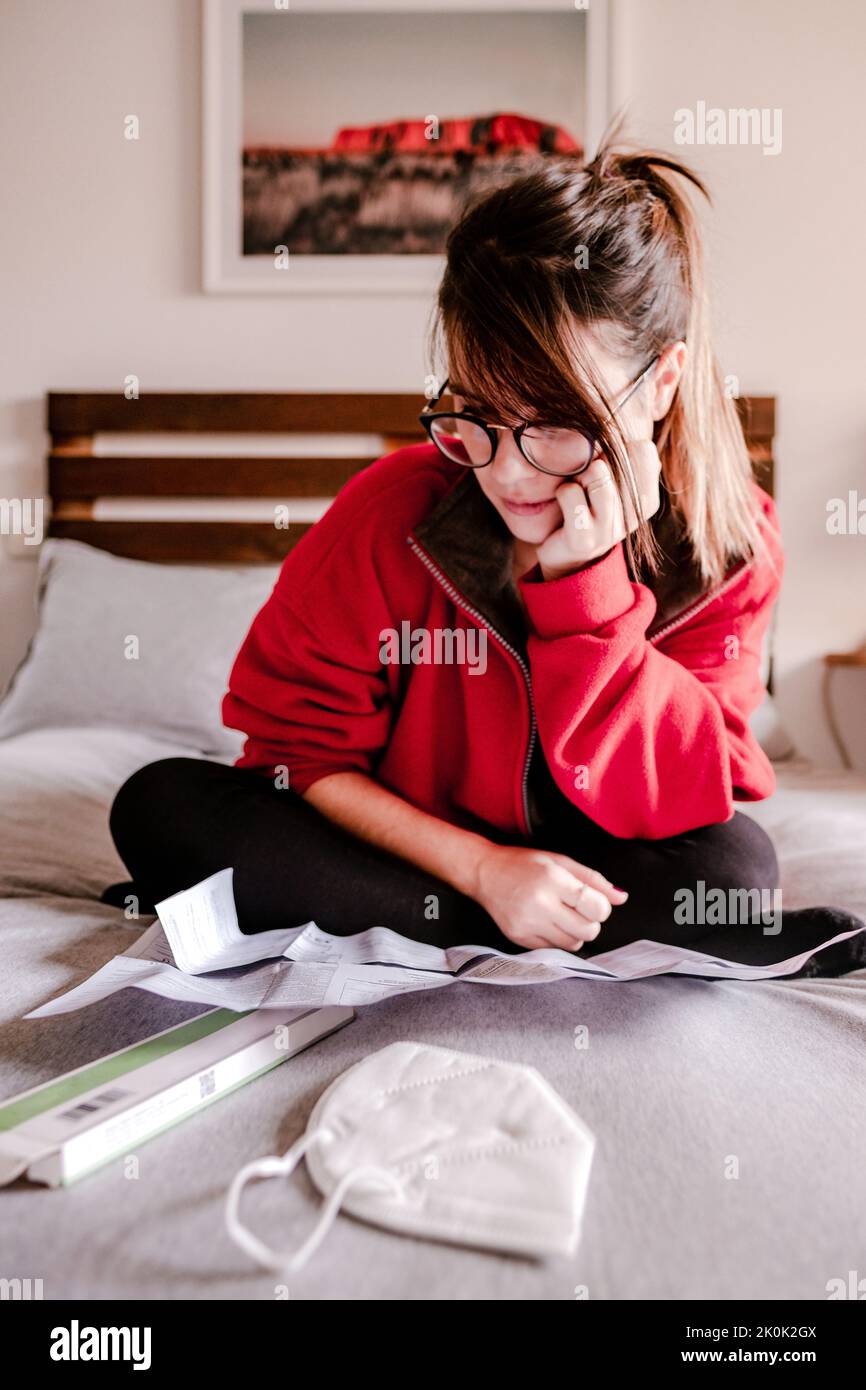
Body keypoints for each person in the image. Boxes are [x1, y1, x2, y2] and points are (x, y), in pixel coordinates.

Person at [105, 132, 865, 975]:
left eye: (555, 421)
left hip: (597, 854)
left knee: (733, 870)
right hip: (410, 845)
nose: (505, 471)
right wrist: (485, 870)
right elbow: (300, 755)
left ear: (662, 381)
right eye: (474, 409)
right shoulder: (392, 514)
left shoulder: (732, 547)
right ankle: (488, 920)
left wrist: (588, 591)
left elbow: (682, 798)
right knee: (160, 806)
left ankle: (405, 919)